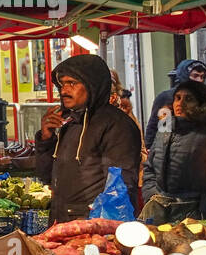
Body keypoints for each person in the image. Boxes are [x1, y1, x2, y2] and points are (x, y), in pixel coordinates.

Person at [34, 54, 143, 225]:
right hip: (63, 223)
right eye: (62, 84)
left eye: (72, 83)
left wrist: (104, 231)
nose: (64, 90)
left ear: (92, 85)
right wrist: (46, 140)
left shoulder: (116, 125)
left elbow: (120, 187)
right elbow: (46, 176)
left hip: (93, 227)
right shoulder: (69, 123)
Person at [141, 80, 206, 221]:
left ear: (201, 104)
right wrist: (151, 195)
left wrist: (205, 210)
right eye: (177, 98)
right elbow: (150, 168)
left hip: (196, 215)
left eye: (188, 99)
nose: (180, 104)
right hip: (160, 210)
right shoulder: (165, 127)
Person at [145, 59, 206, 149]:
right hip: (172, 151)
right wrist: (150, 151)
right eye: (195, 76)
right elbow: (154, 127)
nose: (199, 80)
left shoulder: (205, 98)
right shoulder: (166, 97)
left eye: (202, 77)